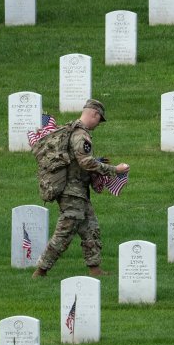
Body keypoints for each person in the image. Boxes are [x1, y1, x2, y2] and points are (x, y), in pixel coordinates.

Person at [33, 99, 129, 278]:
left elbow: (78, 160)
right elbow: (86, 162)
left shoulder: (73, 131)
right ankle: (41, 271)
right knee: (65, 232)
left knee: (91, 229)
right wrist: (114, 170)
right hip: (72, 192)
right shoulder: (80, 135)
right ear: (94, 114)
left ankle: (95, 269)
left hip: (79, 192)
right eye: (99, 120)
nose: (98, 125)